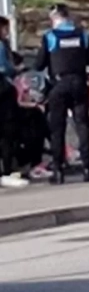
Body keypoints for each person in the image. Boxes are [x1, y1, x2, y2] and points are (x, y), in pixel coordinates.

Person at [33, 4, 89, 184]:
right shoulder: (83, 35)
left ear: (54, 19)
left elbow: (39, 64)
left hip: (58, 85)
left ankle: (59, 171)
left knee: (57, 129)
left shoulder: (50, 37)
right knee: (83, 126)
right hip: (79, 83)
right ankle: (87, 169)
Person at [0, 17, 28, 188]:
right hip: (3, 91)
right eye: (4, 29)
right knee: (7, 132)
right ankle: (8, 170)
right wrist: (16, 70)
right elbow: (4, 67)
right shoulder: (1, 46)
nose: (6, 33)